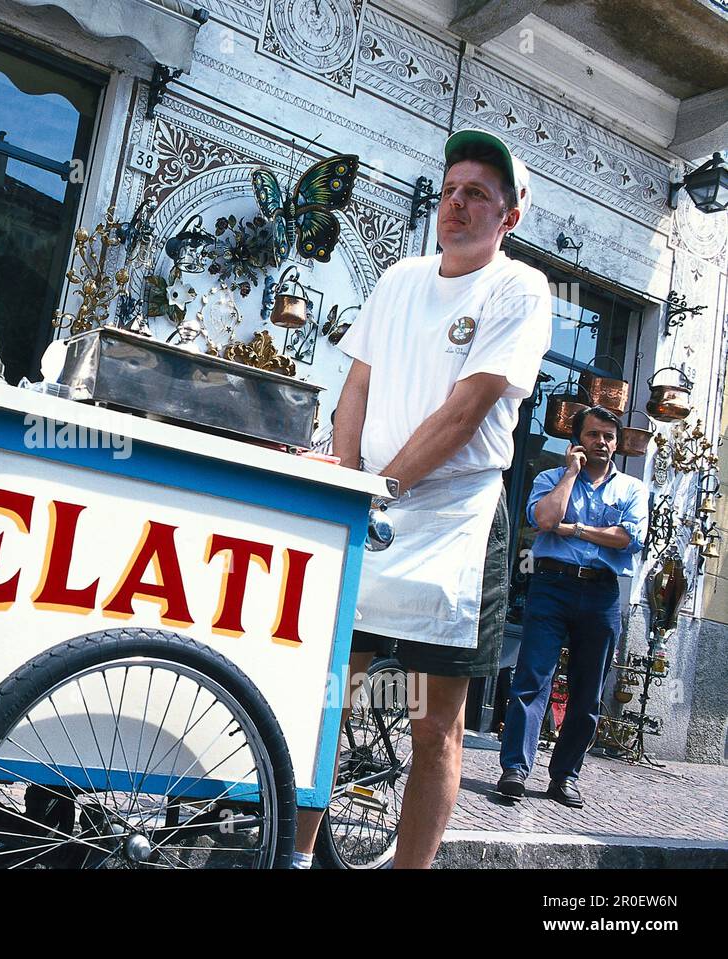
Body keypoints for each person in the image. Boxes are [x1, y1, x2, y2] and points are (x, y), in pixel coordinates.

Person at [292, 129, 552, 869]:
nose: (457, 205)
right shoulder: (400, 279)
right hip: (375, 504)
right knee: (329, 691)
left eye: (477, 194)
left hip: (458, 519)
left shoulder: (519, 289)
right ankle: (298, 858)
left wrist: (382, 487)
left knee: (434, 722)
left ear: (509, 215)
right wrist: (348, 473)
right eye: (449, 191)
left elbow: (466, 411)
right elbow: (359, 386)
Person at [497, 406, 647, 807]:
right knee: (532, 679)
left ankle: (565, 776)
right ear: (577, 440)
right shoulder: (551, 477)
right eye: (594, 435)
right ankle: (514, 769)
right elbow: (546, 520)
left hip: (601, 594)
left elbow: (627, 537)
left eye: (609, 437)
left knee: (588, 693)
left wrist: (576, 529)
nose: (602, 443)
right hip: (551, 586)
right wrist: (569, 474)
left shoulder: (631, 489)